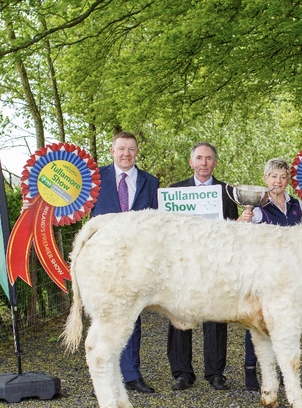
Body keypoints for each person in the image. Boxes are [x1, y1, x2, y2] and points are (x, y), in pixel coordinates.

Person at [23, 131, 160, 393]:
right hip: (103, 258)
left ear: (137, 152)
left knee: (131, 315)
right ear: (112, 151)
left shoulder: (151, 182)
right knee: (105, 314)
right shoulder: (94, 180)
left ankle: (131, 374)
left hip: (136, 259)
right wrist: (35, 206)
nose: (126, 154)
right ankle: (105, 371)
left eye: (131, 149)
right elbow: (64, 203)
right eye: (121, 149)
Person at [167, 142, 238, 391]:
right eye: (199, 158)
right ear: (191, 162)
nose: (204, 163)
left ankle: (216, 373)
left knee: (216, 317)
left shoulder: (227, 192)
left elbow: (232, 230)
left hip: (214, 265)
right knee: (179, 317)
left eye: (208, 158)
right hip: (183, 265)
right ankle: (182, 373)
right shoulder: (174, 192)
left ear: (215, 163)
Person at [237, 158, 302, 391]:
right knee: (258, 320)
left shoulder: (298, 205)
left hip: (290, 275)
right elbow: (238, 233)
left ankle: (282, 367)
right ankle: (250, 369)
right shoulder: (258, 207)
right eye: (273, 176)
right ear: (266, 179)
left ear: (288, 180)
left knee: (285, 322)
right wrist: (243, 219)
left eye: (282, 177)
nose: (278, 181)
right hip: (263, 272)